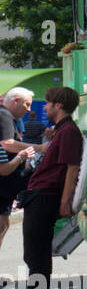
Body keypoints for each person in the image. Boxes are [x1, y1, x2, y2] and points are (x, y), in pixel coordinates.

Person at [0, 87, 83, 289]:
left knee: (37, 256)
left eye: (46, 104)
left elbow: (72, 168)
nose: (42, 108)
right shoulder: (61, 131)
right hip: (39, 195)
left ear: (58, 105)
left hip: (45, 197)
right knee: (33, 255)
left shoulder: (68, 132)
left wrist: (66, 201)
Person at [0, 87, 37, 248]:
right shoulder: (4, 115)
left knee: (3, 226)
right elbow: (7, 145)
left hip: (5, 192)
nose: (29, 110)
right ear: (15, 101)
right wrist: (33, 150)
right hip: (3, 188)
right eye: (27, 105)